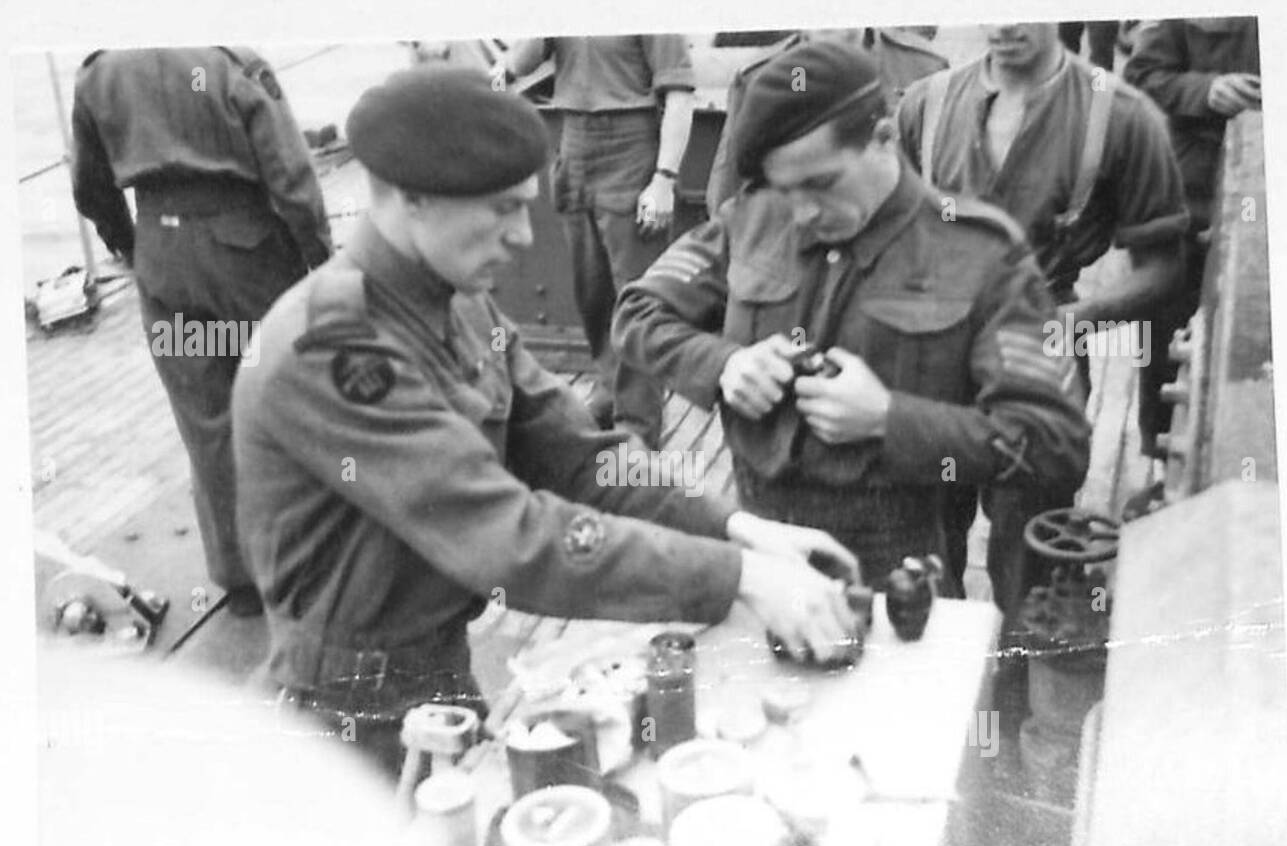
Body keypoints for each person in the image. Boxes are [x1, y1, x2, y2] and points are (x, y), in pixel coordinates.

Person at [231, 66, 861, 776]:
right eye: (500, 209)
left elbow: (582, 456)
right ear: (410, 200)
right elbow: (510, 537)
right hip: (345, 716)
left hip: (434, 673)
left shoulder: (458, 300)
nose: (522, 235)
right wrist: (737, 576)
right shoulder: (334, 347)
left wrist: (737, 529)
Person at [614, 41, 1090, 608]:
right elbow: (639, 312)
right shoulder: (755, 216)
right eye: (786, 190)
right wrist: (725, 364)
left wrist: (889, 419)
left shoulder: (981, 254)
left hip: (897, 569)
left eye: (822, 184)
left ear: (884, 138)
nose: (803, 214)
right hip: (762, 551)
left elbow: (1054, 442)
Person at [894, 22, 1188, 605]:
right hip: (932, 349)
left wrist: (1076, 321)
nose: (1004, 24)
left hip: (1042, 345)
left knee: (1029, 545)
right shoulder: (924, 105)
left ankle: (1016, 678)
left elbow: (1164, 267)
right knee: (924, 536)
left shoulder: (1121, 115)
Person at [71, 47, 332, 617]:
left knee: (207, 417)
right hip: (249, 260)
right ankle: (304, 562)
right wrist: (319, 260)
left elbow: (90, 187)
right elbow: (291, 176)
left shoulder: (101, 71)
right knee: (283, 400)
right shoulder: (231, 62)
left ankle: (240, 578)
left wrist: (131, 246)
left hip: (165, 263)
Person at [496, 35, 696, 449]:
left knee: (635, 299)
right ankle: (609, 394)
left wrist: (663, 181)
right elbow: (523, 59)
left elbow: (679, 97)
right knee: (593, 292)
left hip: (630, 143)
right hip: (574, 142)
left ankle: (639, 425)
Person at [1122, 16, 1260, 510]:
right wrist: (1206, 90)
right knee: (1161, 328)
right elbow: (1141, 74)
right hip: (1192, 187)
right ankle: (1163, 462)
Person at [705, 26, 948, 217]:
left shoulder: (923, 67)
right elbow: (728, 193)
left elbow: (947, 178)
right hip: (800, 242)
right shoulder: (763, 76)